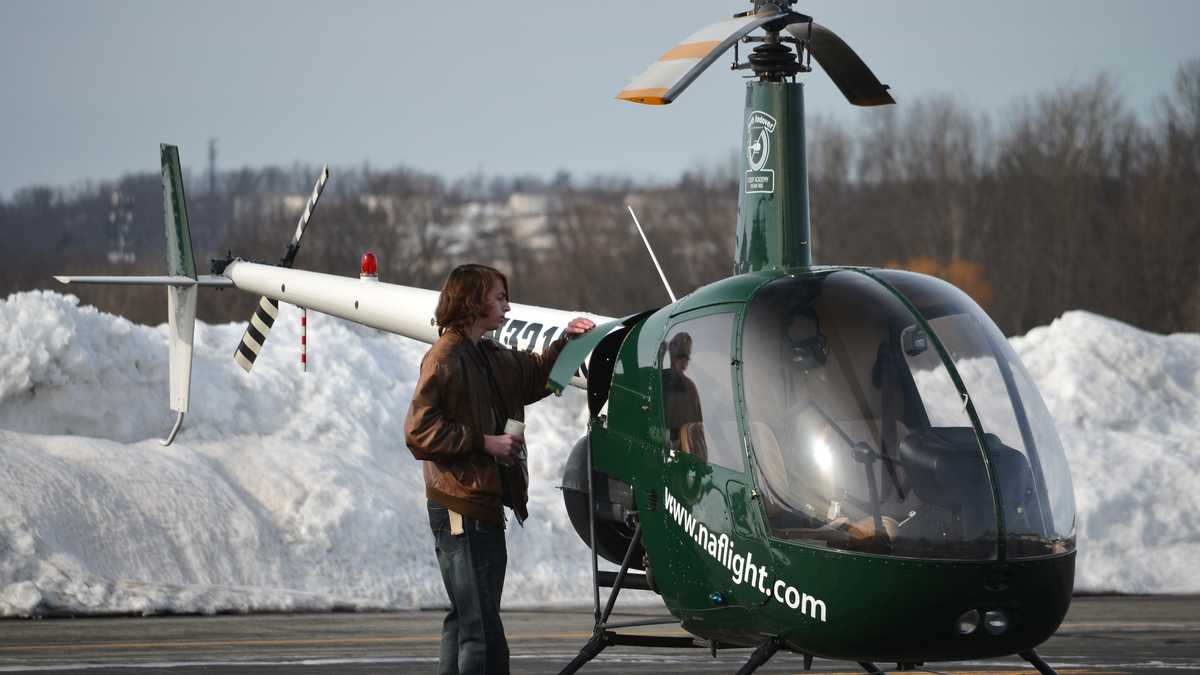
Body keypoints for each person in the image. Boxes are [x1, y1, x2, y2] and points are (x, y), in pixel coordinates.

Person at [405, 263, 594, 675]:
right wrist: (483, 442)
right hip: (461, 510)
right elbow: (418, 431)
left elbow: (537, 375)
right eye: (500, 298)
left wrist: (570, 342)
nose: (508, 308)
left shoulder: (488, 354)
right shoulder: (445, 357)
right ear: (474, 304)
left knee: (466, 621)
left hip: (481, 506)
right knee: (482, 630)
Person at [661, 331, 703, 457]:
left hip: (682, 453)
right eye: (680, 358)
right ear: (672, 357)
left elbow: (696, 430)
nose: (684, 363)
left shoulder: (690, 389)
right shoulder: (660, 380)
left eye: (686, 359)